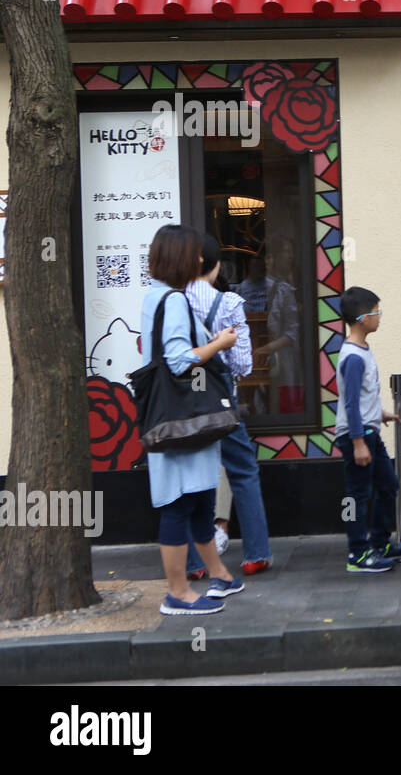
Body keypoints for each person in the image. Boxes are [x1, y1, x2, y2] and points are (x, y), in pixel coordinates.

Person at [140, 225, 244, 615]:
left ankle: (221, 577)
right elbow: (179, 359)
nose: (200, 260)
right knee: (179, 505)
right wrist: (220, 342)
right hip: (183, 418)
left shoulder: (155, 296)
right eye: (194, 254)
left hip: (176, 417)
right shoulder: (175, 301)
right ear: (180, 258)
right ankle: (178, 593)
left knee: (199, 498)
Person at [184, 234, 273, 580]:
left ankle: (194, 563)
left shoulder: (172, 301)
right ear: (217, 264)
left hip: (186, 398)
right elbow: (242, 363)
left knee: (191, 474)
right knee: (243, 470)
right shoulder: (230, 303)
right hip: (221, 397)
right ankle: (255, 554)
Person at [336, 286, 401, 573]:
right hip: (357, 436)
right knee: (356, 494)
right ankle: (357, 551)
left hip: (367, 432)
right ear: (362, 318)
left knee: (388, 485)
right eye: (376, 311)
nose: (379, 317)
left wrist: (379, 414)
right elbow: (351, 403)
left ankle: (379, 542)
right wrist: (357, 442)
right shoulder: (353, 357)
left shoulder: (362, 351)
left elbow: (363, 398)